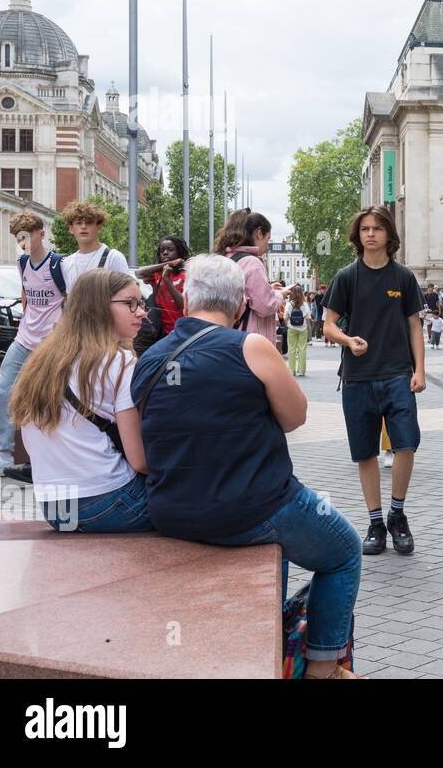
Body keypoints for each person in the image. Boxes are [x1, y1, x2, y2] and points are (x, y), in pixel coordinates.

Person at [133, 254, 361, 679]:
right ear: (240, 307)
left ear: (185, 302)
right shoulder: (251, 346)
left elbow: (144, 456)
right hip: (253, 507)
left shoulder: (147, 359)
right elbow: (295, 417)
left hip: (173, 511)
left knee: (280, 540)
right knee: (344, 551)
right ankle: (322, 667)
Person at [11, 269, 151, 533]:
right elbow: (140, 461)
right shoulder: (119, 363)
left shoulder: (41, 361)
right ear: (97, 307)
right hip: (112, 502)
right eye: (130, 303)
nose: (141, 312)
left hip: (55, 510)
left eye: (141, 303)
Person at [322, 205, 427, 557]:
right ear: (358, 235)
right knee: (365, 453)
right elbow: (328, 325)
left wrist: (420, 370)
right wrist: (348, 340)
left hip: (398, 375)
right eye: (365, 229)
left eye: (377, 228)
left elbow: (415, 325)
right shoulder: (346, 277)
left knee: (406, 445)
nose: (370, 234)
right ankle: (375, 522)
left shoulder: (403, 278)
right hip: (357, 378)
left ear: (389, 235)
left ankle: (398, 514)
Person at [0, 213, 70, 478]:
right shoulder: (22, 262)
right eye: (19, 239)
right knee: (3, 388)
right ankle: (1, 454)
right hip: (24, 338)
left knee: (49, 396)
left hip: (52, 344)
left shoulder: (58, 265)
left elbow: (71, 301)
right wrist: (26, 322)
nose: (23, 243)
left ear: (41, 233)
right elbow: (26, 292)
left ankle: (49, 457)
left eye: (26, 237)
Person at [215, 208, 285, 339]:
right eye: (268, 239)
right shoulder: (252, 263)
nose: (268, 245)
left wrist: (269, 289)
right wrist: (279, 294)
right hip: (249, 341)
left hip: (226, 336)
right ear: (259, 233)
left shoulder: (225, 259)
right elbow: (266, 306)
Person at [60, 200, 131, 290]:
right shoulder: (67, 262)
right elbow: (69, 298)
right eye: (78, 223)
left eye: (89, 222)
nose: (83, 227)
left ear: (99, 227)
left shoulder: (113, 257)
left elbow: (127, 292)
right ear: (71, 229)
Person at [134, 235, 190, 337]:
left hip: (184, 333)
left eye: (170, 249)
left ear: (179, 252)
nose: (165, 252)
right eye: (162, 251)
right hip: (162, 333)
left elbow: (185, 307)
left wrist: (167, 281)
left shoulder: (187, 274)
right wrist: (170, 263)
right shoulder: (157, 274)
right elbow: (139, 273)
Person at [284, 286, 312, 378]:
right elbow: (308, 317)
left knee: (291, 349)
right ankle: (301, 371)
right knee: (302, 349)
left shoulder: (289, 304)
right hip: (303, 329)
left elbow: (285, 317)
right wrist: (307, 326)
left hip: (292, 328)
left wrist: (288, 324)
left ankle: (292, 371)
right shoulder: (304, 304)